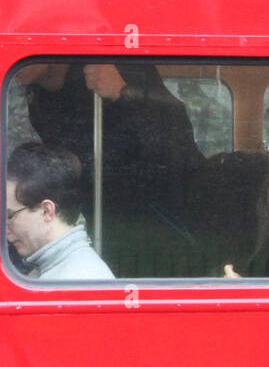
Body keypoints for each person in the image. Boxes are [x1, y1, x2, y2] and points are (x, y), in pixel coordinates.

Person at [16, 61, 203, 275]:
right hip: (95, 224)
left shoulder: (116, 65)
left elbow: (179, 144)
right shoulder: (37, 97)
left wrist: (121, 91)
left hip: (160, 224)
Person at [6, 143, 114, 280]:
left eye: (10, 216)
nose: (5, 229)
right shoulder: (59, 270)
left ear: (46, 211)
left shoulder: (77, 279)